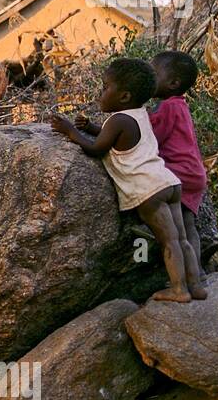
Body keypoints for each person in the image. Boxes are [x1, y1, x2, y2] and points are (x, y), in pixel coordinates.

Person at [50, 57, 206, 302]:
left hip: (149, 190)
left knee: (168, 241)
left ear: (123, 97)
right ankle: (196, 286)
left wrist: (69, 130)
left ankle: (179, 290)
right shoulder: (141, 115)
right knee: (181, 238)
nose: (100, 93)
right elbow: (118, 139)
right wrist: (92, 127)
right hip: (169, 183)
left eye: (105, 87)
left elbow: (96, 149)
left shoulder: (118, 120)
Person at [148, 49, 209, 294]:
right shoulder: (180, 105)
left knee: (177, 229)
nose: (147, 79)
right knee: (189, 225)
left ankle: (181, 280)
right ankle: (198, 277)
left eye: (153, 74)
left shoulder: (166, 108)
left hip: (178, 172)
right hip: (194, 174)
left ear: (173, 83)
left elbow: (151, 137)